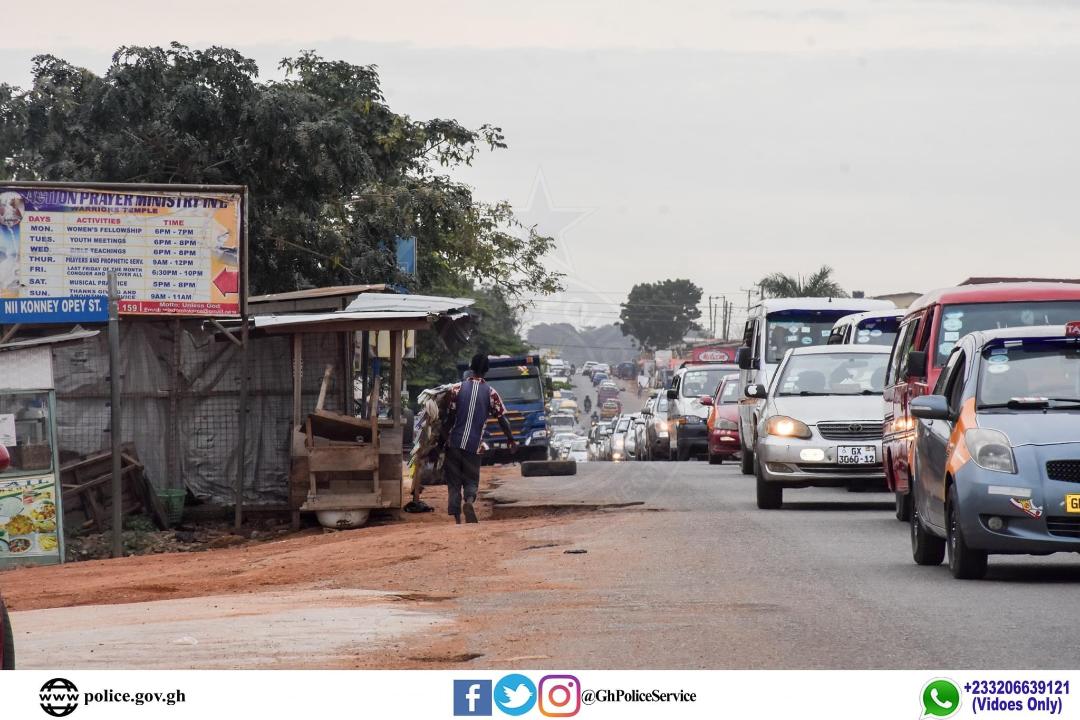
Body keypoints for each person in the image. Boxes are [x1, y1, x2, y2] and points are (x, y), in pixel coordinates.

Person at [441, 353, 517, 524]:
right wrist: (510, 439)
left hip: (454, 444)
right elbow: (502, 419)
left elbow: (450, 419)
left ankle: (457, 520)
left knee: (453, 483)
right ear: (487, 370)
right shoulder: (491, 393)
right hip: (474, 446)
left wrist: (440, 443)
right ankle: (468, 502)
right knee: (471, 480)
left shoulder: (457, 389)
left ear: (471, 367)